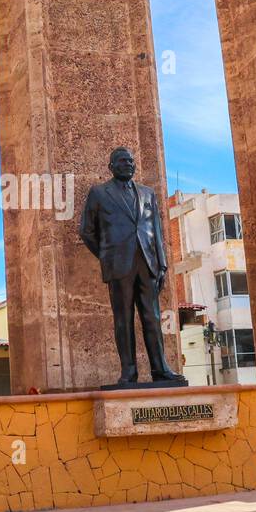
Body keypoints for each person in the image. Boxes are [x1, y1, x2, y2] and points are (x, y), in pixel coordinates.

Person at [78, 146, 186, 385]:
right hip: (118, 265)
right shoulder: (99, 193)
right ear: (111, 166)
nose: (128, 164)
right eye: (123, 161)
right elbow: (87, 231)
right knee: (123, 318)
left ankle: (160, 368)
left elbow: (156, 231)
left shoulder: (147, 194)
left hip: (147, 263)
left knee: (153, 316)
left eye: (131, 161)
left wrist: (163, 265)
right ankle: (129, 371)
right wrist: (106, 256)